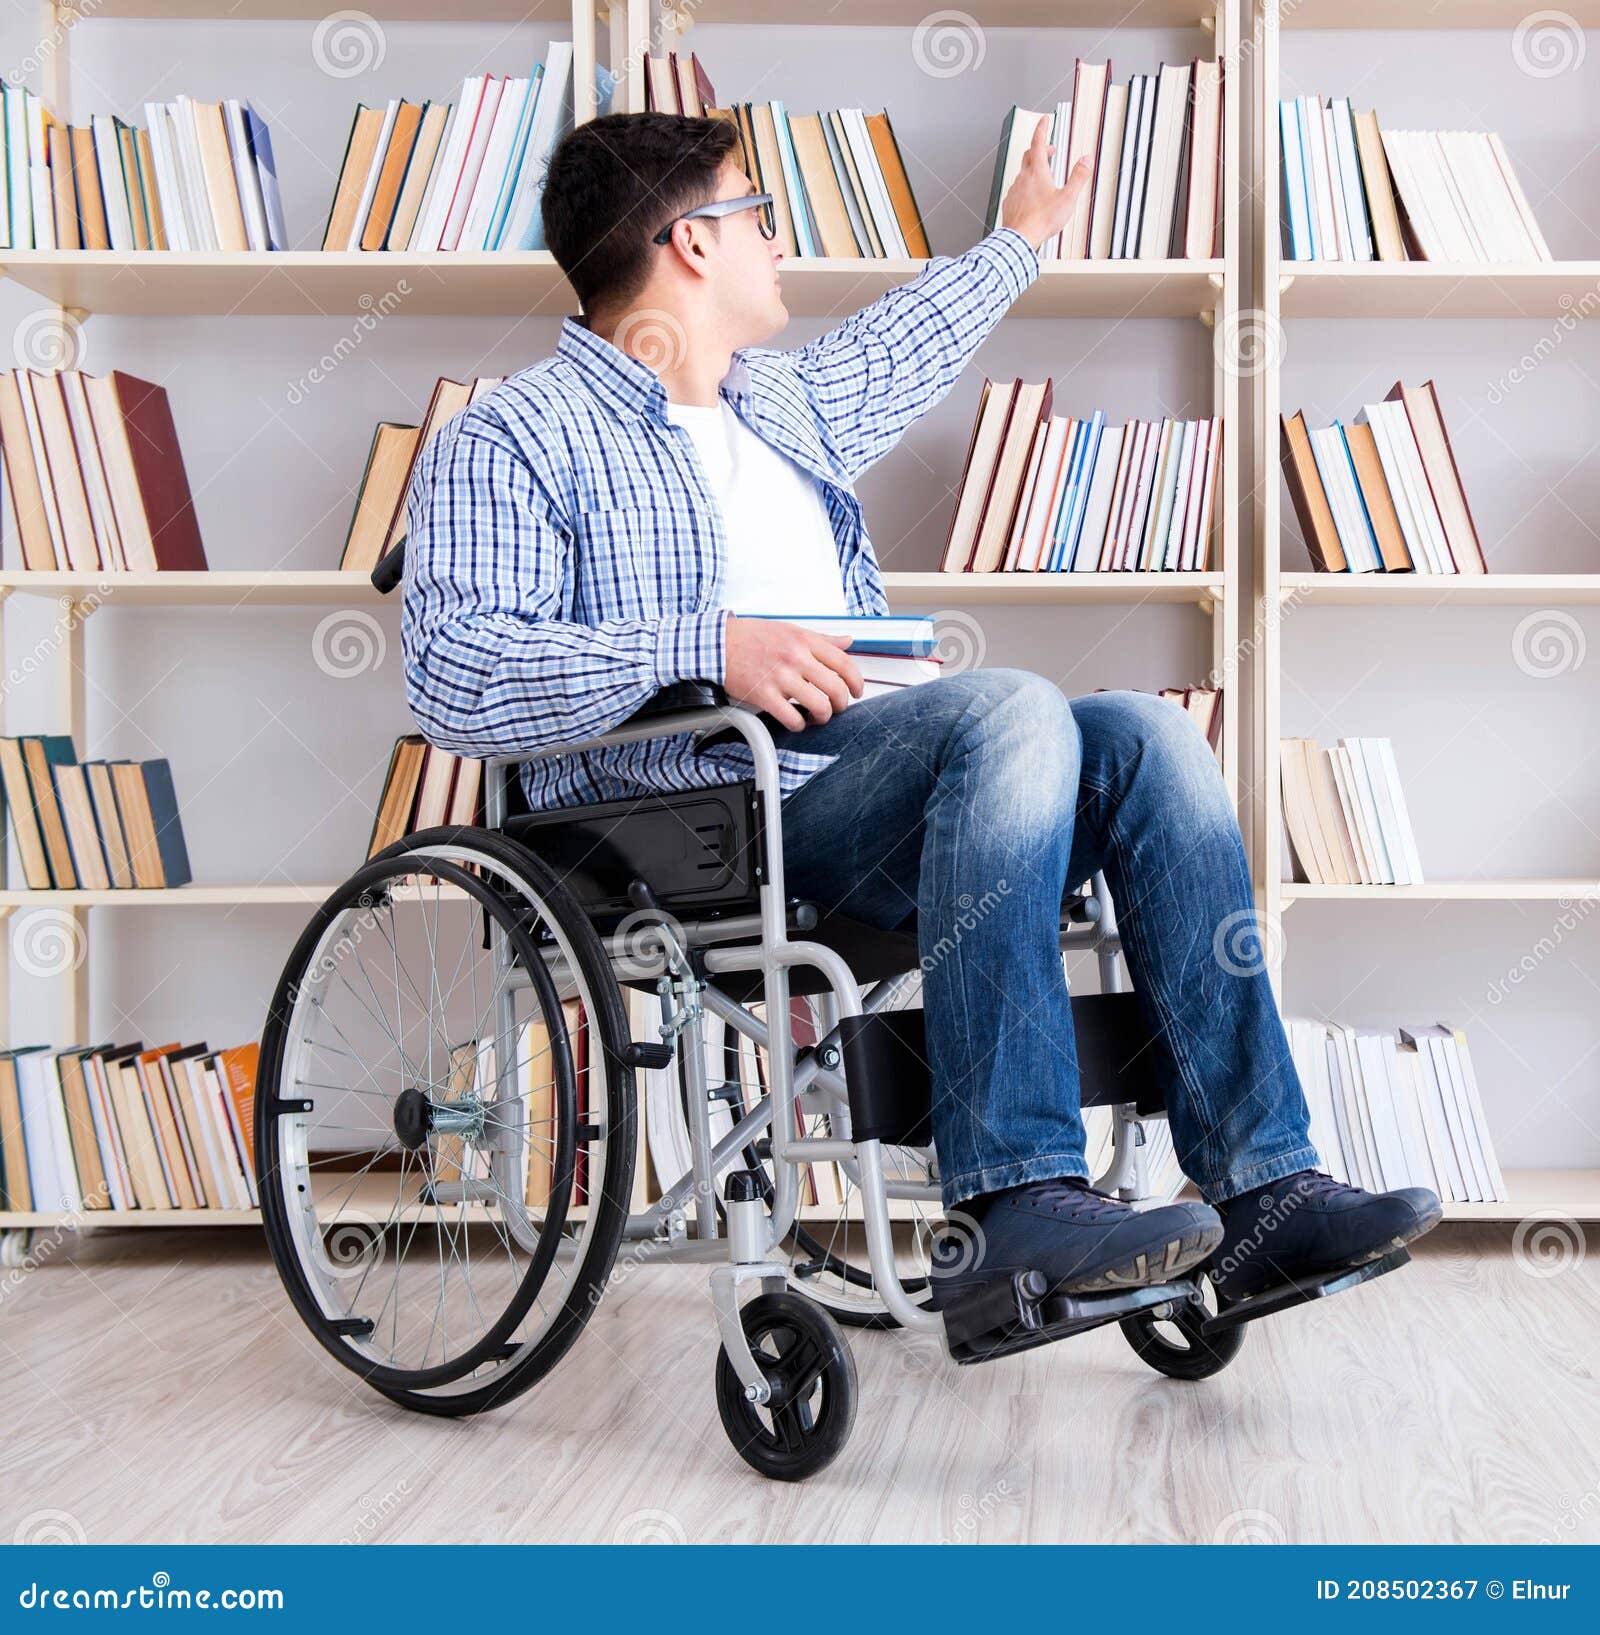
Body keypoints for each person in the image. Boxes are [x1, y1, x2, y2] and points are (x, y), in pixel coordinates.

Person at [401, 110, 1441, 1310]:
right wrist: (705, 646)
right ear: (691, 243)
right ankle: (1014, 1200)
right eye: (759, 216)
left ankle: (1264, 1193)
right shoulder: (511, 438)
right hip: (701, 823)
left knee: (1146, 735)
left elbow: (903, 345)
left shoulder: (778, 405)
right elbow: (455, 672)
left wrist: (1020, 240)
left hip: (876, 787)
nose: (776, 243)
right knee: (1001, 709)